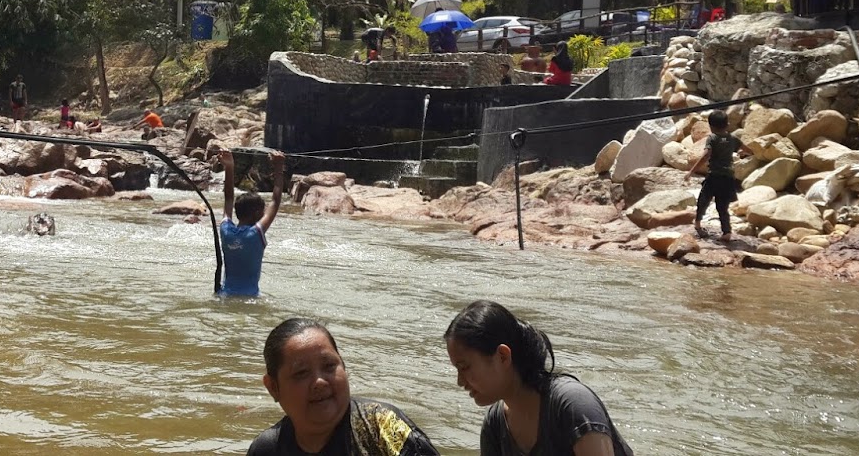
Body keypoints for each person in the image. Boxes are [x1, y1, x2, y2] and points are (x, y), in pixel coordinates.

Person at [444, 300, 634, 456]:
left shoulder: (572, 405)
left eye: (465, 367)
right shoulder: (494, 425)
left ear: (502, 356)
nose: (460, 381)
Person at [250, 318, 440, 455]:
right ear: (273, 388)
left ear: (344, 366)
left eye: (329, 366)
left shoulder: (385, 431)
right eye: (301, 373)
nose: (319, 382)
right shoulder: (268, 449)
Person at [218, 147, 285, 297]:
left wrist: (229, 166)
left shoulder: (226, 231)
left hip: (225, 295)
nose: (263, 214)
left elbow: (228, 198)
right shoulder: (255, 233)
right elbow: (275, 201)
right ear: (256, 214)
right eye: (262, 211)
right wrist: (279, 167)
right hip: (251, 297)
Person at [686, 109, 754, 242]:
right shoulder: (733, 138)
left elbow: (706, 155)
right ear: (727, 124)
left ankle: (698, 223)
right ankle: (726, 232)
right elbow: (748, 150)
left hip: (713, 177)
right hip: (728, 178)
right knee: (722, 206)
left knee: (703, 200)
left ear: (710, 126)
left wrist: (691, 171)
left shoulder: (712, 138)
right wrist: (744, 153)